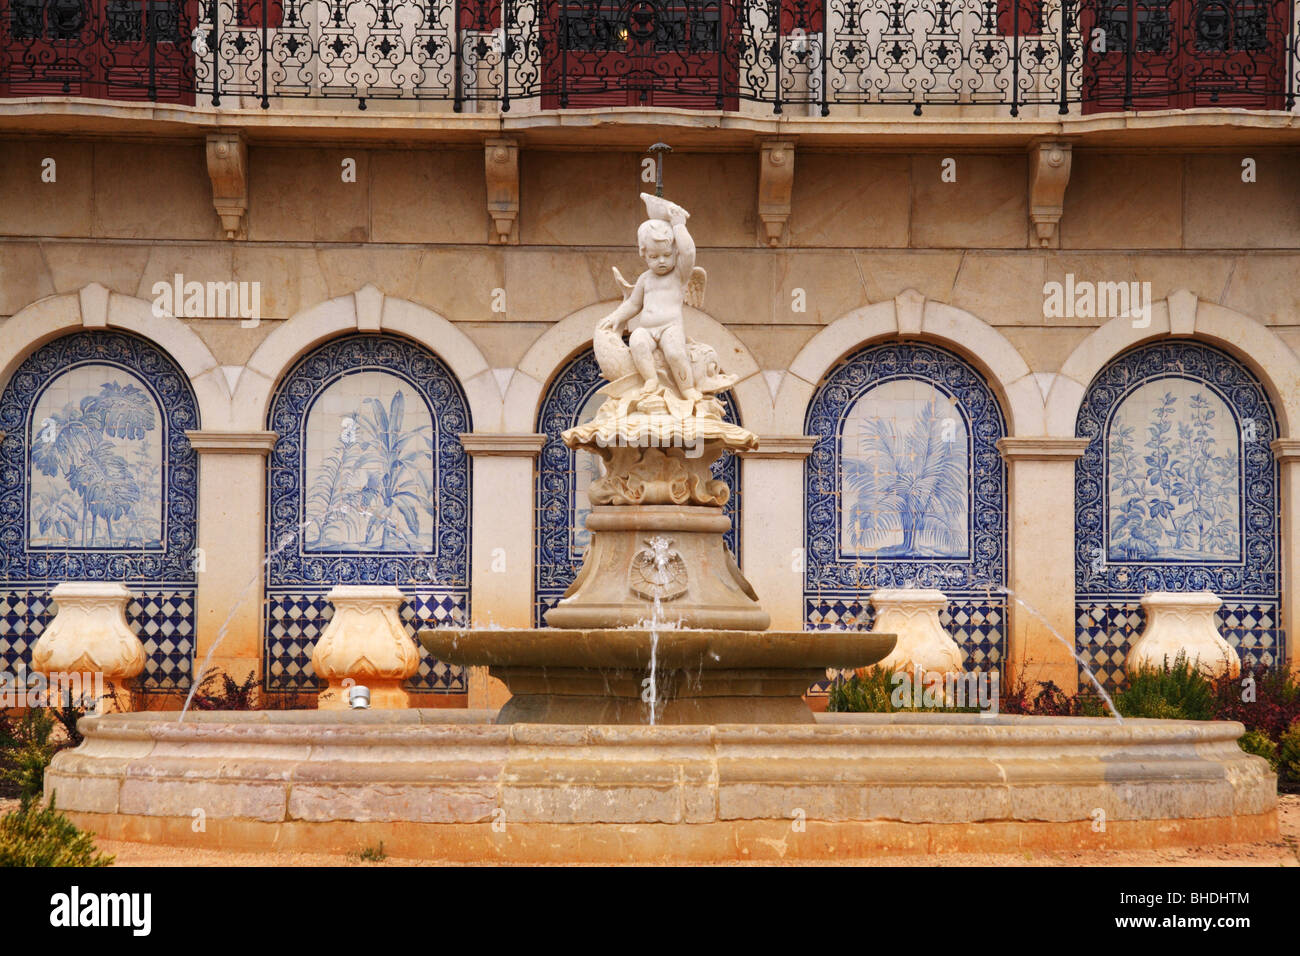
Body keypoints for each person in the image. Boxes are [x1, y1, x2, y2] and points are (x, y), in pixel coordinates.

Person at [598, 196, 702, 402]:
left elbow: (689, 252)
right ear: (644, 256)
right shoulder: (645, 279)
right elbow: (634, 304)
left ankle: (687, 387)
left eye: (666, 255)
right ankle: (650, 379)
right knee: (637, 341)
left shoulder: (679, 276)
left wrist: (679, 225)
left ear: (674, 252)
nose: (661, 261)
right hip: (647, 329)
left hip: (670, 327)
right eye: (654, 257)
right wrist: (617, 316)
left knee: (674, 354)